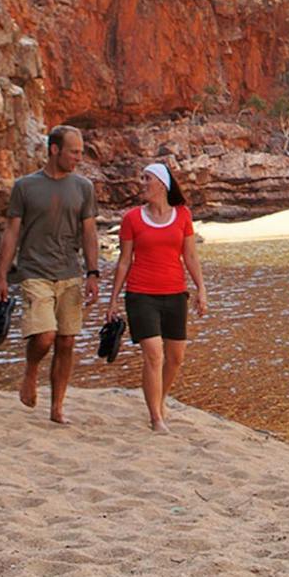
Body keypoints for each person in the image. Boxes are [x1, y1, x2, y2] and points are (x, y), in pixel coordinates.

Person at [0, 125, 99, 425]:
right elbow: (11, 231)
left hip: (70, 272)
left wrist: (93, 272)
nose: (79, 157)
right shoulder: (25, 187)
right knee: (46, 335)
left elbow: (89, 232)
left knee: (66, 342)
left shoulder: (83, 187)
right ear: (55, 150)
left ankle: (57, 407)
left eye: (80, 151)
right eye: (74, 151)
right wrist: (1, 276)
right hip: (34, 271)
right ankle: (30, 370)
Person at [107, 161, 207, 431]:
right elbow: (124, 261)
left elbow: (190, 255)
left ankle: (160, 399)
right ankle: (156, 418)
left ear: (162, 184)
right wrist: (113, 299)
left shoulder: (183, 215)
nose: (143, 183)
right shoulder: (132, 219)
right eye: (142, 178)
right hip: (140, 294)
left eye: (147, 179)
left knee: (176, 357)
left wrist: (201, 289)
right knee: (154, 354)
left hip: (175, 294)